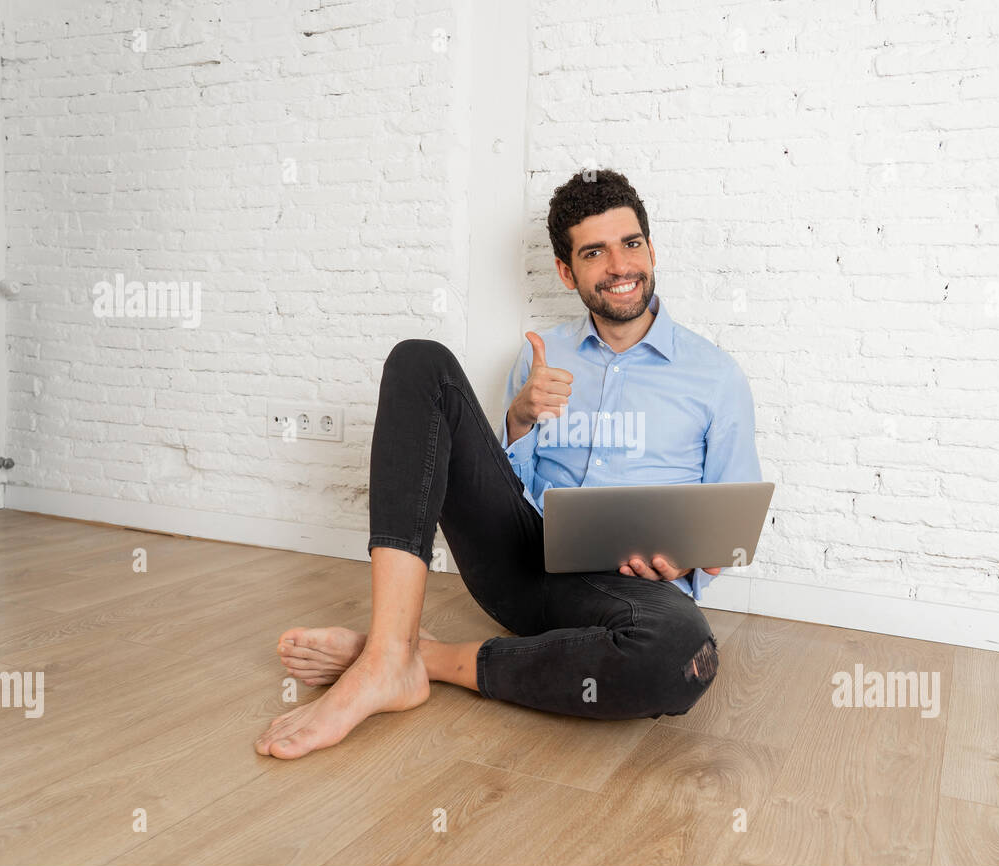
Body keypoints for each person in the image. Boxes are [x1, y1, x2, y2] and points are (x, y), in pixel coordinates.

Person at [255, 169, 761, 759]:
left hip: (629, 593)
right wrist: (519, 418)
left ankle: (412, 658)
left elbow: (731, 532)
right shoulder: (542, 355)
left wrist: (686, 558)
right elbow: (499, 486)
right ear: (567, 271)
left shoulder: (716, 376)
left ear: (651, 248)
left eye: (630, 244)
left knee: (680, 658)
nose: (620, 266)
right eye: (595, 252)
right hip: (521, 564)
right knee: (420, 361)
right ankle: (389, 655)